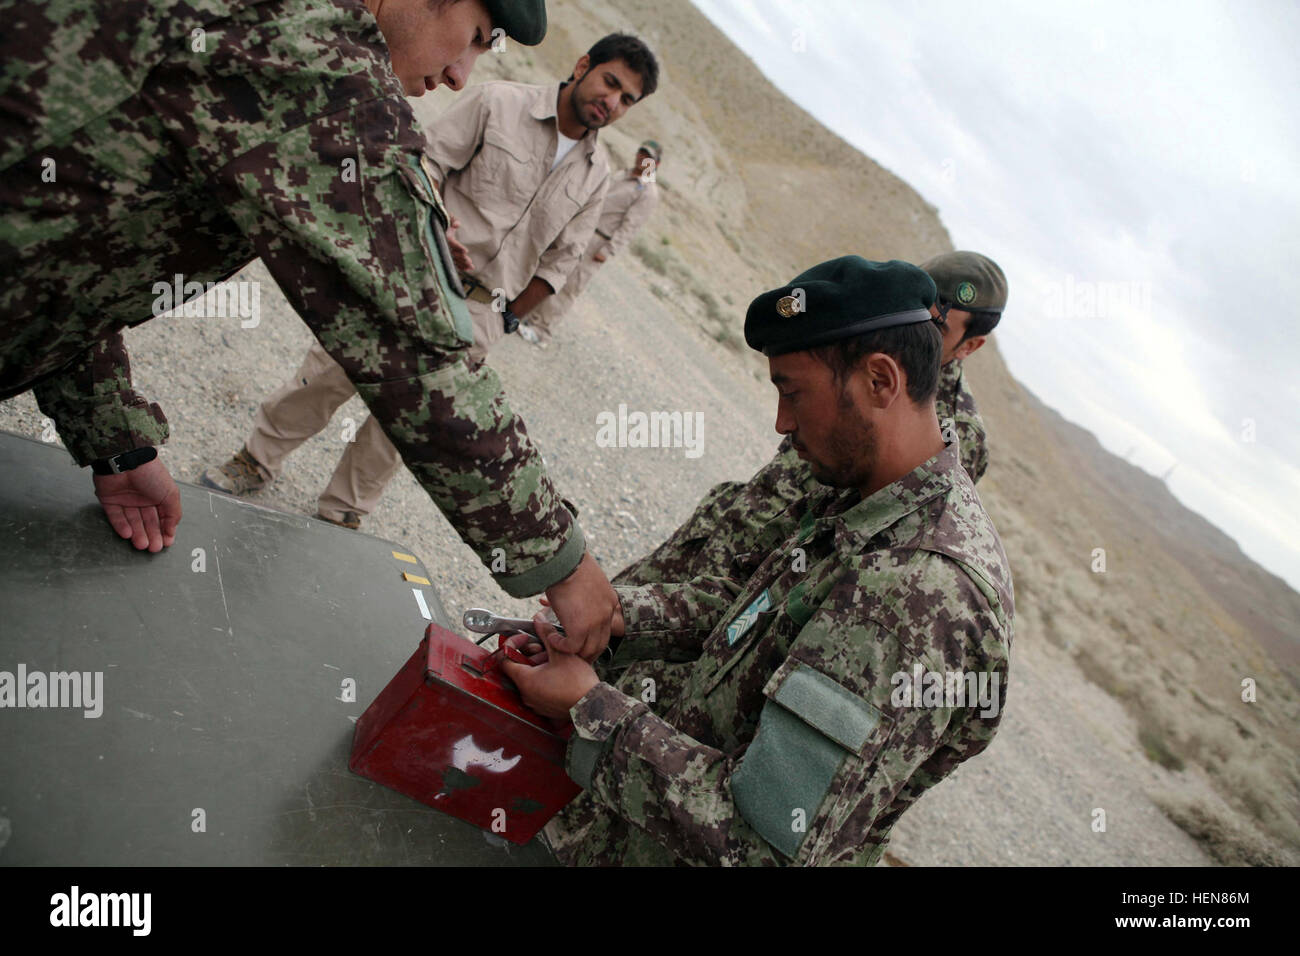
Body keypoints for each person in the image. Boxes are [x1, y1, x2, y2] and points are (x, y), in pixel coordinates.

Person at [0, 0, 619, 658]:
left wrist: (115, 438)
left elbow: (72, 244)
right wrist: (564, 564)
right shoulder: (321, 66)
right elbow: (413, 347)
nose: (461, 73)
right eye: (472, 38)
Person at [501, 256, 1015, 865]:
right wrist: (619, 620)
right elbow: (758, 613)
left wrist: (590, 708)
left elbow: (760, 844)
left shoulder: (917, 595)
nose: (782, 422)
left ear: (881, 381)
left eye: (792, 392)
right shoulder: (867, 493)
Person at [200, 32, 659, 530]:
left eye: (626, 100)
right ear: (584, 64)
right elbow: (427, 163)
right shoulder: (500, 102)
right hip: (413, 272)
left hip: (478, 316)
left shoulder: (597, 176)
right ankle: (255, 459)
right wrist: (438, 226)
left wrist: (503, 317)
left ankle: (342, 513)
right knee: (331, 373)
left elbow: (560, 264)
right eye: (610, 83)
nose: (611, 102)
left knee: (407, 421)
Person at [613, 250, 1008, 587]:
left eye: (937, 323)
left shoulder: (953, 432)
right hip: (723, 536)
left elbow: (875, 540)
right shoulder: (859, 347)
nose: (920, 319)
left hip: (762, 582)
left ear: (970, 345)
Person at [518, 140, 663, 348]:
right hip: (583, 228)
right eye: (641, 153)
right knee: (552, 270)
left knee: (570, 286)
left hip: (599, 240)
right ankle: (526, 315)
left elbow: (630, 226)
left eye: (648, 157)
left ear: (656, 164)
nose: (642, 159)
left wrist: (608, 249)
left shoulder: (647, 192)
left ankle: (541, 331)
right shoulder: (624, 174)